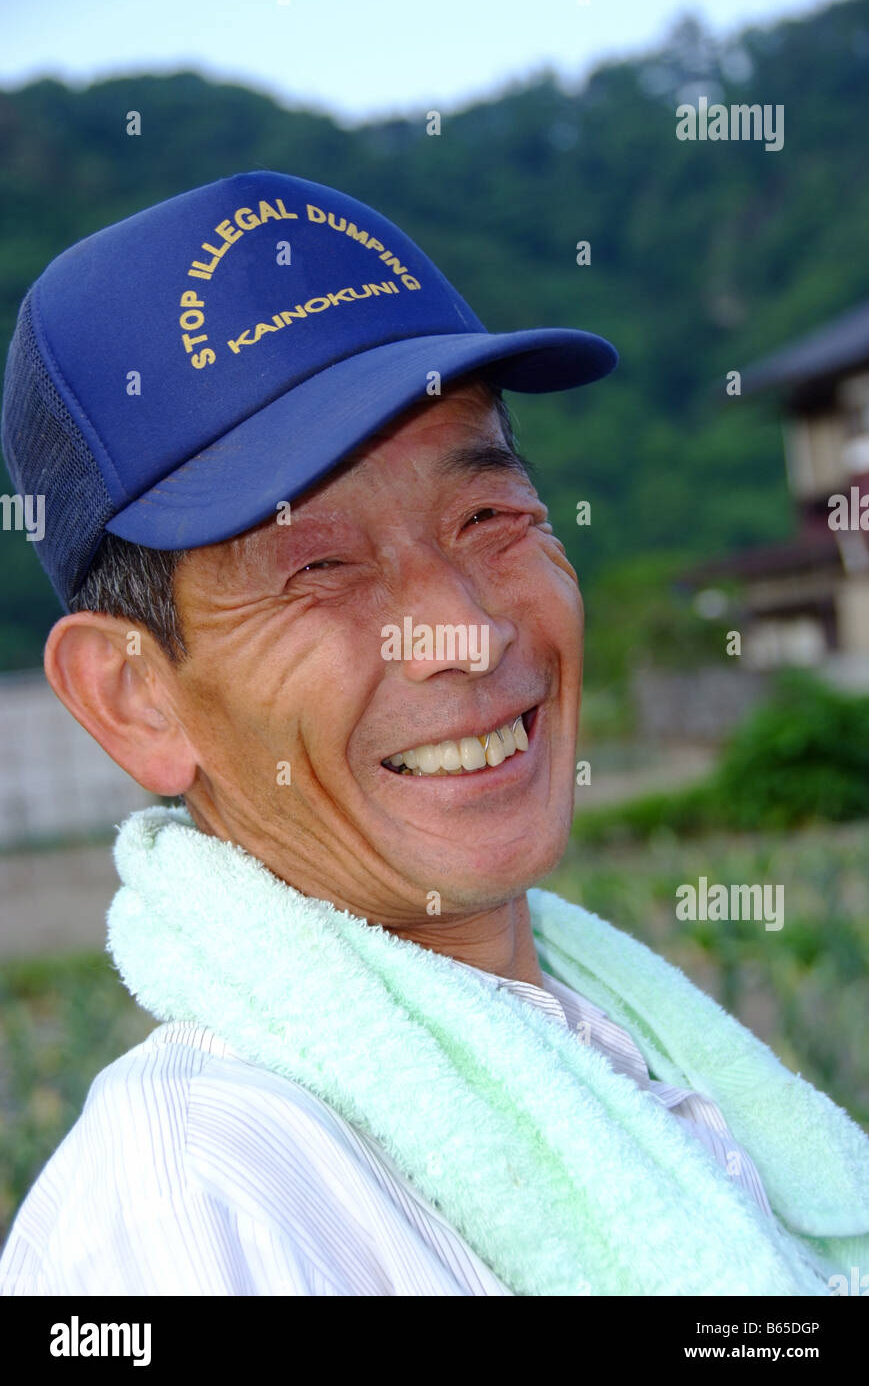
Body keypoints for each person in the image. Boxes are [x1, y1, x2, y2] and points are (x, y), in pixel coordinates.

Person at [0, 171, 866, 1297]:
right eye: (318, 568)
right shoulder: (187, 1218)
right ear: (133, 698)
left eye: (489, 516)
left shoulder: (617, 1041)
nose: (462, 626)